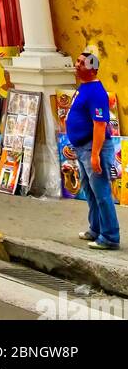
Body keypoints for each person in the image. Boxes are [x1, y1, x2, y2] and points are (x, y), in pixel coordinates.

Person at [69, 49, 121, 250]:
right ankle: (95, 228)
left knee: (102, 193)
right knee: (90, 191)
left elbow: (100, 125)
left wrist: (95, 155)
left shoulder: (96, 93)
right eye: (77, 61)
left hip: (93, 148)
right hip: (82, 147)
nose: (77, 65)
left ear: (92, 69)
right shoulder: (83, 88)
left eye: (81, 63)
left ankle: (110, 236)